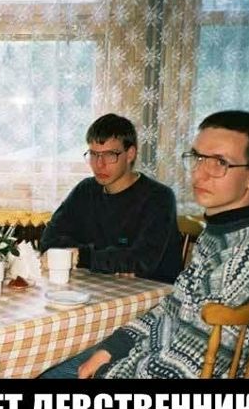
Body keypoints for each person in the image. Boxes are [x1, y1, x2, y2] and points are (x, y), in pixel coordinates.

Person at [41, 110, 249, 379]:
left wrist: (107, 371)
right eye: (197, 158)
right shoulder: (221, 233)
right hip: (154, 352)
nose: (199, 173)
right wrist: (114, 348)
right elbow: (173, 306)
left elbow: (182, 369)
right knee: (49, 365)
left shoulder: (244, 260)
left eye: (220, 162)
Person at [39, 113, 182, 283]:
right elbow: (49, 240)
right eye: (94, 154)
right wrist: (111, 261)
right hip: (98, 286)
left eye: (109, 155)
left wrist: (82, 256)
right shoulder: (85, 190)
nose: (99, 164)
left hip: (153, 293)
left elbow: (142, 261)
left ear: (130, 154)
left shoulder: (159, 197)